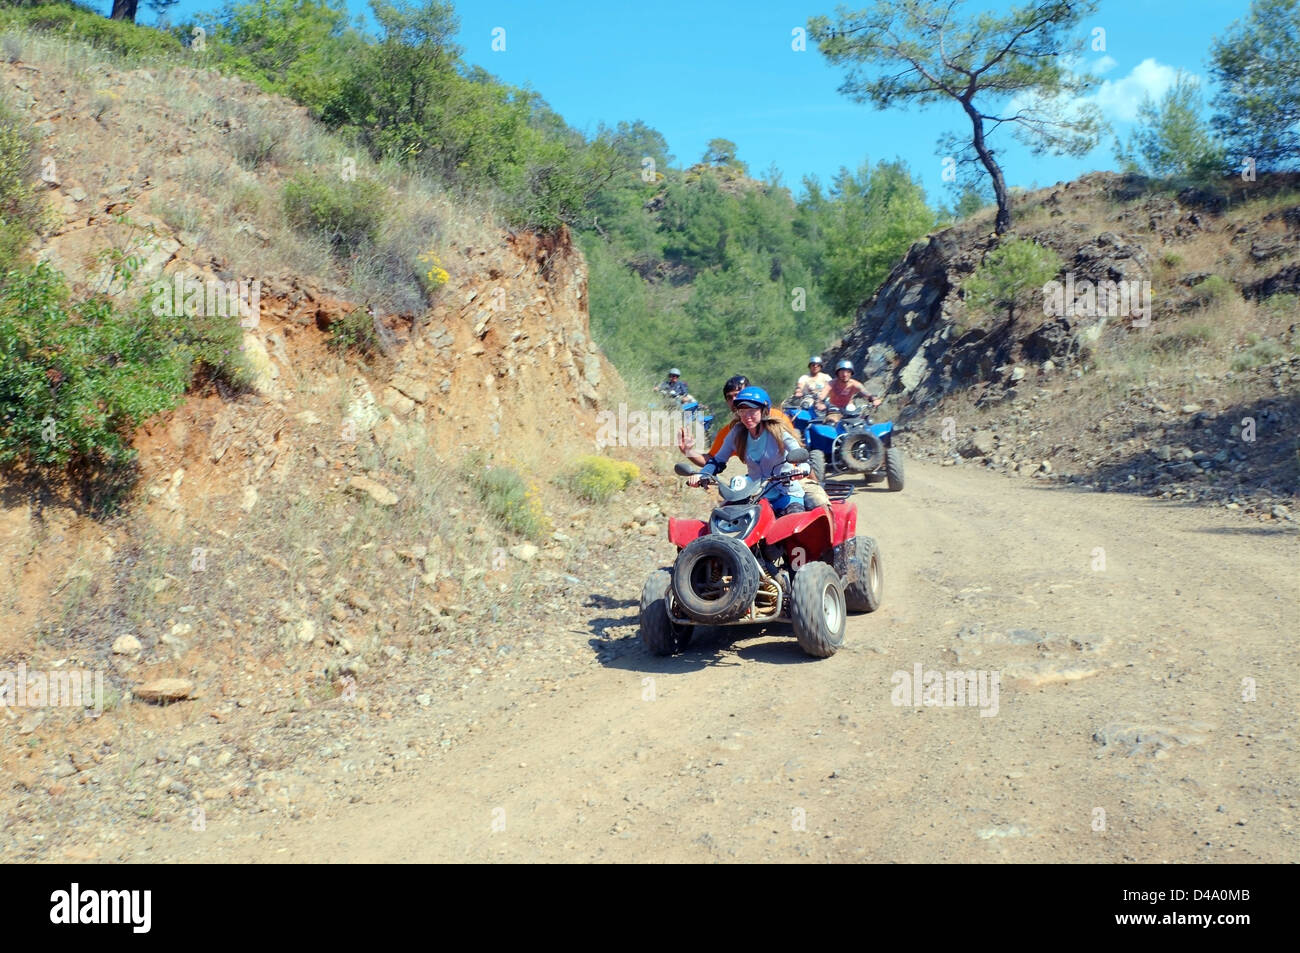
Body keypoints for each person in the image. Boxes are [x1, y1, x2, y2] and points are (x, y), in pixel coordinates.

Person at [678, 374, 832, 512]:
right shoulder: (734, 432)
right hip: (756, 488)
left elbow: (800, 454)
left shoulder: (777, 425)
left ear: (763, 409)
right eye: (739, 407)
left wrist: (808, 476)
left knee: (817, 503)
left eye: (750, 408)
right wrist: (693, 459)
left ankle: (831, 541)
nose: (746, 414)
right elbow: (715, 460)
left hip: (791, 481)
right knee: (723, 516)